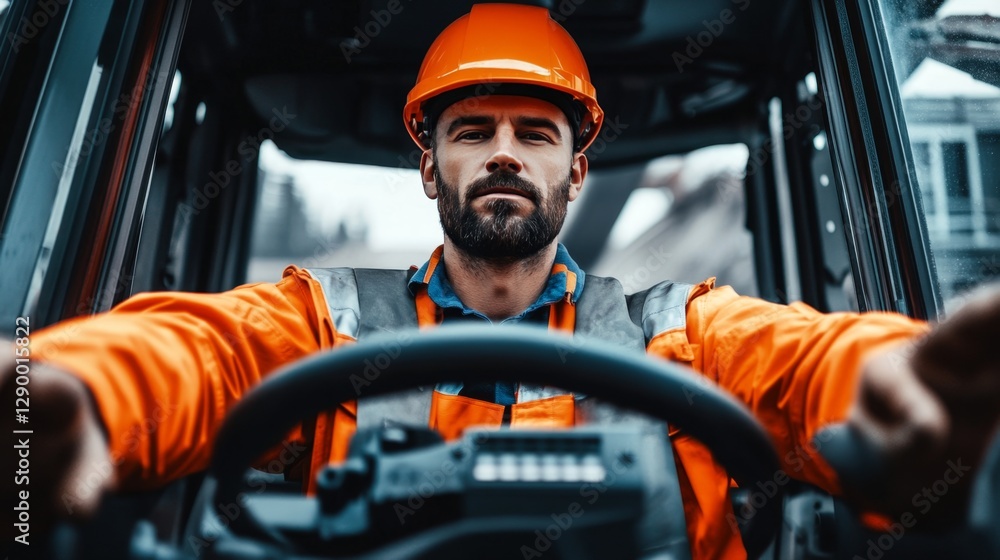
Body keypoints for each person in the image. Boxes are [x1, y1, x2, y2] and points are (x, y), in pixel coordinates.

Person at [2, 4, 999, 559]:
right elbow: (188, 352)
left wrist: (888, 383)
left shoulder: (679, 334)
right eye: (472, 131)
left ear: (575, 166)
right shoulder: (322, 323)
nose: (505, 153)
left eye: (535, 133)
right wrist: (72, 395)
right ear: (431, 165)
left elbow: (806, 359)